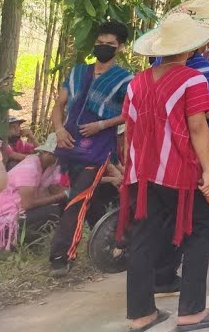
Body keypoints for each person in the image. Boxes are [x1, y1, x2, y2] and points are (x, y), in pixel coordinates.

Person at [120, 12, 209, 332]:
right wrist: (208, 172)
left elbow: (129, 128)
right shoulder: (193, 79)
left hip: (141, 173)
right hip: (179, 172)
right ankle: (192, 312)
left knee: (142, 239)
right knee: (198, 232)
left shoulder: (136, 82)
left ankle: (141, 315)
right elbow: (198, 128)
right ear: (189, 48)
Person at [47, 20, 134, 276]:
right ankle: (116, 240)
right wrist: (59, 129)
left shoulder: (125, 79)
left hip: (97, 149)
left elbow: (130, 113)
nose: (104, 47)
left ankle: (61, 256)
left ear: (120, 48)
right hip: (69, 145)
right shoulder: (76, 73)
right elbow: (58, 105)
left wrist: (101, 124)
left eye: (110, 44)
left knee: (77, 200)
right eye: (100, 43)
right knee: (87, 199)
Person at [0, 135, 66, 250]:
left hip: (20, 210)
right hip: (7, 214)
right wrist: (60, 196)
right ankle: (16, 241)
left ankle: (28, 240)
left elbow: (55, 189)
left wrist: (66, 195)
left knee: (60, 207)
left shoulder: (50, 167)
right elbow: (27, 204)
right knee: (52, 212)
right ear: (47, 153)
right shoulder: (30, 168)